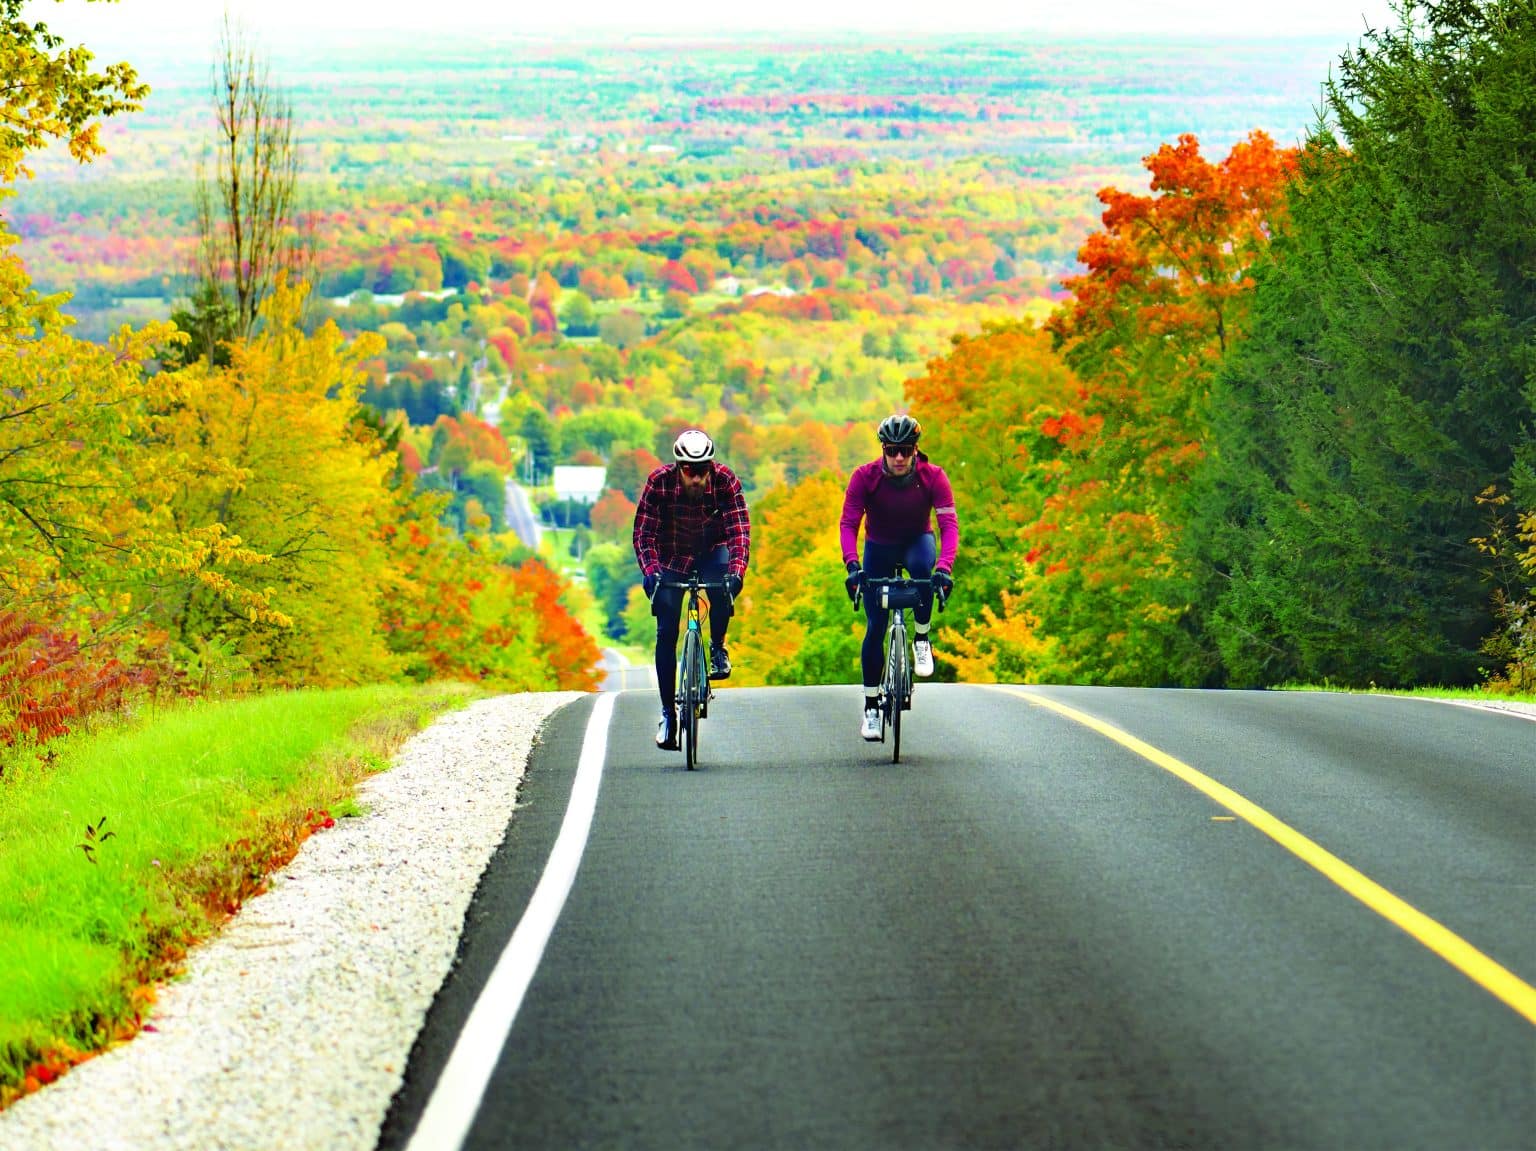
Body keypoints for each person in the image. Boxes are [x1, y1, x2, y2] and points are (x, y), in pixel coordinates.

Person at [839, 413, 959, 740]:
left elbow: (949, 527)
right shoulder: (864, 478)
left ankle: (921, 638)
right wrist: (852, 567)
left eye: (906, 450)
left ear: (916, 449)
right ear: (883, 450)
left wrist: (944, 569)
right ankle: (871, 708)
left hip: (916, 542)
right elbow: (849, 524)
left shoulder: (933, 477)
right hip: (879, 547)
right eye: (892, 450)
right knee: (876, 625)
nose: (899, 458)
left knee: (923, 572)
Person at [633, 428, 752, 750]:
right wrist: (652, 571)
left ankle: (716, 646)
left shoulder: (725, 481)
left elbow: (740, 532)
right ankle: (668, 713)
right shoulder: (659, 483)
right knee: (666, 630)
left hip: (714, 549)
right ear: (678, 467)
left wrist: (736, 574)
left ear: (711, 467)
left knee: (723, 585)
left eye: (703, 471)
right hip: (671, 556)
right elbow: (644, 535)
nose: (697, 478)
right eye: (689, 471)